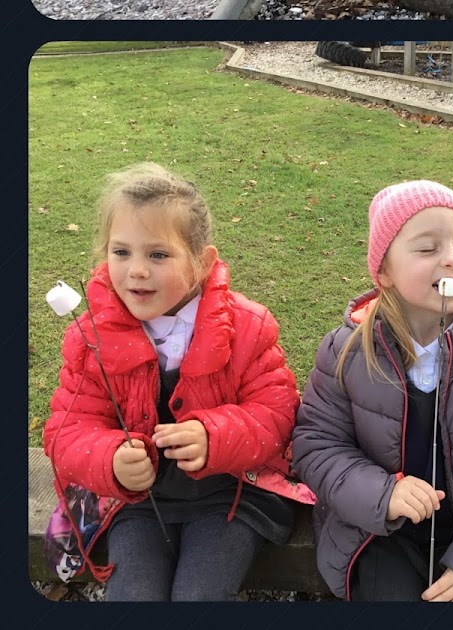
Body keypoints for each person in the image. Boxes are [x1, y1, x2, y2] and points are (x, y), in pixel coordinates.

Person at [42, 162, 312, 601]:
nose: (137, 271)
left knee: (200, 595)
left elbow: (278, 414)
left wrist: (215, 434)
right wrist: (110, 460)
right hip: (137, 503)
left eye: (158, 254)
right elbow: (67, 431)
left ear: (201, 263)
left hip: (231, 494)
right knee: (134, 594)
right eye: (121, 252)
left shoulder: (246, 327)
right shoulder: (90, 337)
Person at [292, 181, 453, 602]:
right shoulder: (345, 352)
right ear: (385, 272)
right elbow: (316, 445)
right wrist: (383, 494)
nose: (451, 260)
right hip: (377, 535)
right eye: (427, 249)